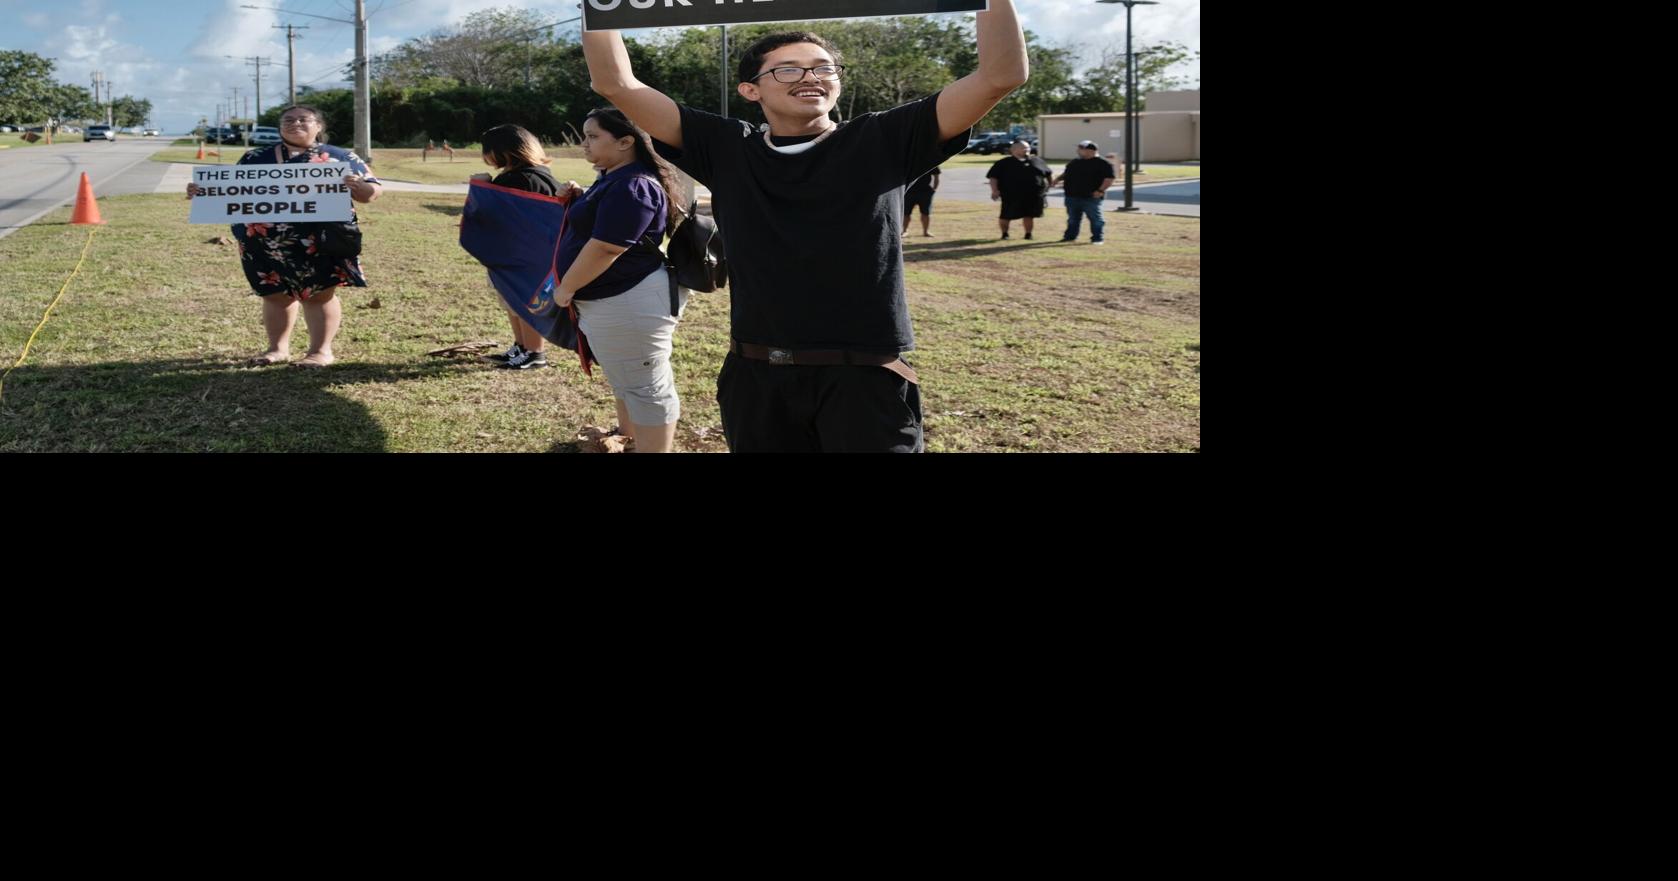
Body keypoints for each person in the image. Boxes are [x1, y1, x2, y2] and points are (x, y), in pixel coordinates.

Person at [581, 1, 1028, 452]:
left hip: (864, 379)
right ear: (750, 90)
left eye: (823, 68)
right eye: (788, 70)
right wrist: (598, 6)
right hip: (757, 376)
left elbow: (999, 76)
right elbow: (615, 82)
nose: (810, 77)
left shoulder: (884, 140)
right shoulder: (725, 148)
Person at [187, 104, 381, 369]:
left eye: (304, 119)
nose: (295, 124)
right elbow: (229, 192)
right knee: (274, 293)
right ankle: (277, 349)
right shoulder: (255, 157)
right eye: (288, 120)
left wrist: (360, 187)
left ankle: (320, 352)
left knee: (319, 294)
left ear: (319, 126)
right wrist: (203, 191)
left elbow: (372, 193)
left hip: (320, 240)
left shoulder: (340, 157)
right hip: (261, 240)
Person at [551, 107, 689, 453]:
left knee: (646, 387)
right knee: (627, 378)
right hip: (618, 299)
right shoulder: (616, 177)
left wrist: (566, 287)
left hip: (629, 300)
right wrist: (581, 195)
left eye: (593, 136)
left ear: (626, 142)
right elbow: (606, 221)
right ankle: (628, 437)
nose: (584, 144)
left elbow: (606, 247)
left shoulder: (633, 185)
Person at [470, 124, 563, 369]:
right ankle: (522, 347)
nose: (485, 157)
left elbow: (490, 215)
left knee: (523, 303)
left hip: (522, 256)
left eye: (487, 150)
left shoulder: (517, 179)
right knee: (513, 302)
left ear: (502, 151)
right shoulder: (541, 174)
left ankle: (534, 352)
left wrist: (481, 188)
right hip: (533, 253)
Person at [986, 138, 1052, 240]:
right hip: (1011, 195)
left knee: (1029, 215)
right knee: (1006, 215)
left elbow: (1048, 174)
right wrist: (995, 190)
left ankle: (1028, 234)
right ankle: (1005, 234)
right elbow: (993, 177)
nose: (1027, 150)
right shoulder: (1003, 163)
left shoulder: (1037, 161)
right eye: (1024, 148)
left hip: (1033, 195)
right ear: (1014, 150)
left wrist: (1049, 186)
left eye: (1028, 148)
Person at [1052, 139, 1115, 245]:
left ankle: (1097, 238)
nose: (1078, 150)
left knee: (1096, 219)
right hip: (1072, 196)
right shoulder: (1075, 162)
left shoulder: (1103, 163)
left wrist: (1100, 190)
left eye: (1081, 148)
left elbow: (1109, 179)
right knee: (1072, 218)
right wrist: (1057, 179)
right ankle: (1070, 237)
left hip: (1091, 197)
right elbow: (1066, 173)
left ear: (1091, 151)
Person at [903, 166, 941, 237]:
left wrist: (934, 189)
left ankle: (926, 232)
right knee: (906, 213)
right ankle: (904, 231)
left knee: (926, 213)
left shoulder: (930, 161)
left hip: (925, 193)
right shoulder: (908, 160)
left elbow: (936, 176)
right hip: (909, 192)